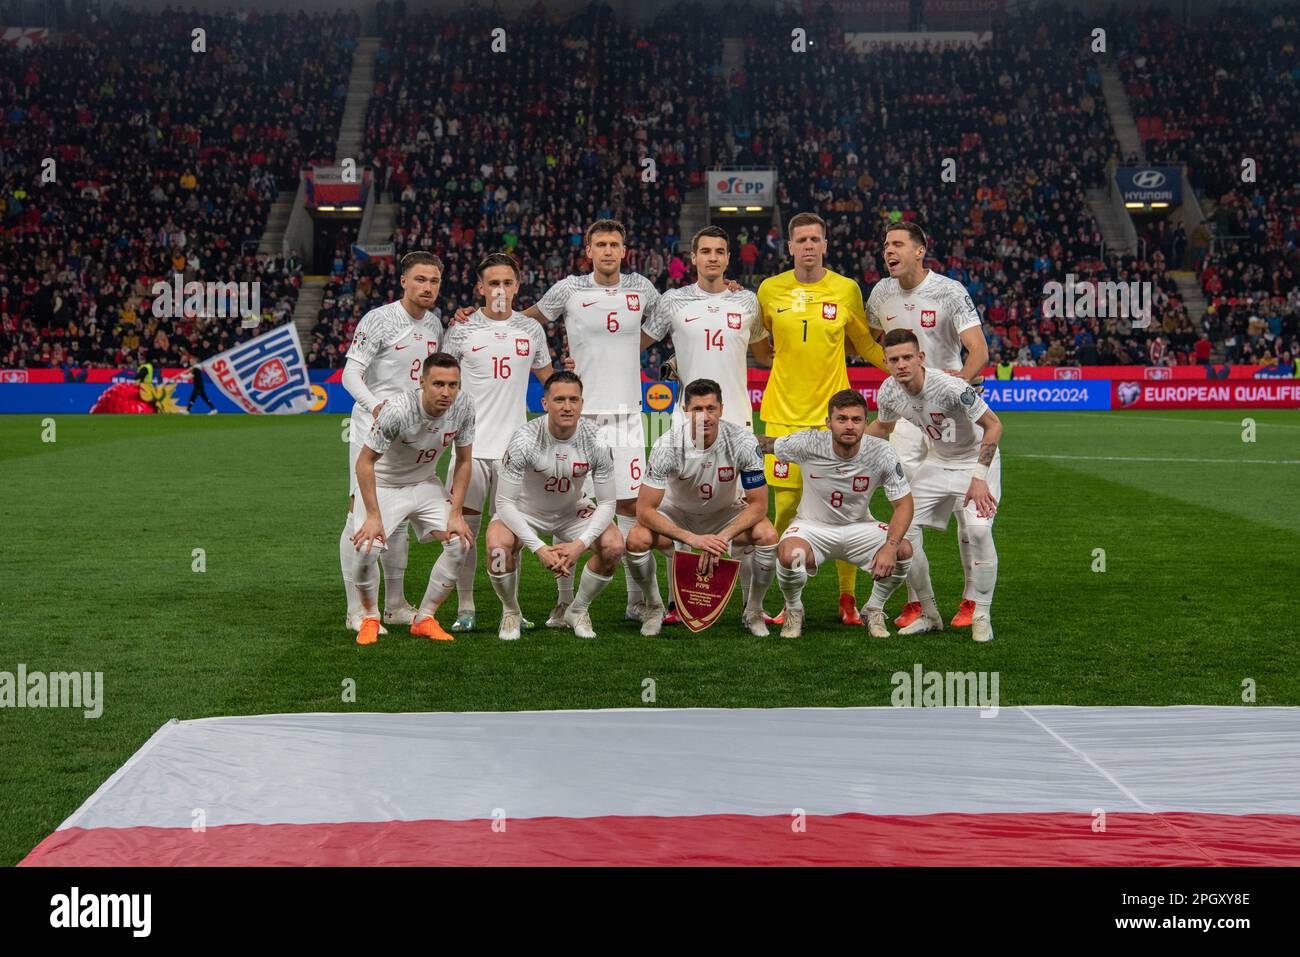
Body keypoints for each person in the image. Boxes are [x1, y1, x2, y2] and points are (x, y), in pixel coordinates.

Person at [755, 211, 887, 626]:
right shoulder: (769, 289)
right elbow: (760, 346)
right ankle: (788, 596)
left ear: (825, 244)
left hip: (835, 418)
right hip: (781, 416)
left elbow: (865, 343)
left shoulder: (846, 290)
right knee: (787, 507)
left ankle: (847, 599)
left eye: (815, 239)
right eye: (801, 240)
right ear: (789, 246)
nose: (808, 246)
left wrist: (917, 373)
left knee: (846, 507)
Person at [866, 222, 989, 629]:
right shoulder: (881, 293)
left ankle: (971, 598)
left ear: (920, 250)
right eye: (886, 245)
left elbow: (979, 350)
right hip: (905, 418)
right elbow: (876, 337)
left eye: (898, 244)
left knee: (965, 513)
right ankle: (918, 602)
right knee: (907, 511)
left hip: (951, 417)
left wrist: (963, 384)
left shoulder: (949, 291)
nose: (889, 251)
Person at [441, 253, 557, 631]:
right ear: (480, 288)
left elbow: (552, 383)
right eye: (493, 283)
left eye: (507, 283)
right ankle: (466, 608)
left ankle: (513, 609)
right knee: (464, 535)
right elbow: (442, 384)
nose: (500, 290)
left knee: (511, 536)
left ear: (518, 286)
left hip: (515, 452)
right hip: (469, 452)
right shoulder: (460, 330)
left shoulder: (531, 330)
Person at [868, 329, 1002, 643]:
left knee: (979, 530)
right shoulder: (889, 390)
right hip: (939, 460)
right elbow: (883, 426)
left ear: (921, 358)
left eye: (907, 357)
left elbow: (994, 425)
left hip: (976, 461)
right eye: (894, 359)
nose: (901, 364)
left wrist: (980, 477)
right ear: (887, 363)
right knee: (903, 531)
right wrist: (845, 446)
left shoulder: (950, 386)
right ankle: (930, 614)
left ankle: (982, 615)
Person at [338, 252, 444, 635]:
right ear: (403, 281)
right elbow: (351, 374)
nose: (427, 287)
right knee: (361, 515)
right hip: (373, 426)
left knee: (396, 520)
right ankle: (356, 610)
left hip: (412, 432)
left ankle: (396, 605)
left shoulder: (435, 324)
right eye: (420, 279)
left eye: (433, 280)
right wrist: (376, 406)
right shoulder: (380, 319)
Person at [626, 378, 779, 637]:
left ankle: (753, 610)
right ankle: (654, 607)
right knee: (637, 538)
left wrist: (720, 538)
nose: (705, 416)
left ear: (721, 409)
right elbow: (645, 510)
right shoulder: (667, 444)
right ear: (686, 411)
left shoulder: (742, 441)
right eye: (697, 409)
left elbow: (759, 505)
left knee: (768, 535)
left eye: (711, 408)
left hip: (724, 515)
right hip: (678, 516)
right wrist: (692, 539)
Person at [756, 390, 914, 639]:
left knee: (903, 550)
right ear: (829, 423)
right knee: (789, 555)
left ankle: (873, 608)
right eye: (842, 419)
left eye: (856, 419)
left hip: (860, 526)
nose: (849, 426)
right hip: (812, 527)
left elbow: (904, 504)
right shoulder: (809, 442)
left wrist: (891, 546)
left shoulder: (881, 452)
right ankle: (795, 609)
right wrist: (718, 441)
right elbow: (765, 444)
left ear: (865, 421)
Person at [349, 353, 476, 646]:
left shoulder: (465, 406)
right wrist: (372, 516)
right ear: (422, 383)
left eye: (453, 385)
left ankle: (425, 618)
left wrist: (456, 513)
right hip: (384, 483)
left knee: (460, 542)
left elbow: (464, 461)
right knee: (367, 548)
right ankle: (369, 617)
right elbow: (364, 463)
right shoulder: (398, 410)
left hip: (424, 483)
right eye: (438, 384)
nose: (446, 392)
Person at [487, 372, 624, 640]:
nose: (567, 406)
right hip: (525, 511)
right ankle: (511, 611)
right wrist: (538, 547)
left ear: (582, 403)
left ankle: (577, 609)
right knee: (497, 550)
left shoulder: (596, 439)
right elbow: (503, 502)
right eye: (559, 399)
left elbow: (607, 502)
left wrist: (580, 544)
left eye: (574, 399)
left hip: (572, 511)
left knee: (614, 547)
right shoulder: (524, 438)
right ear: (545, 403)